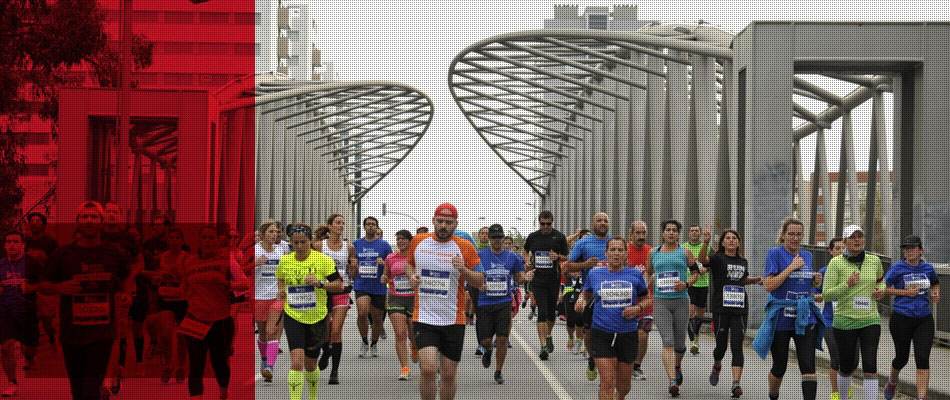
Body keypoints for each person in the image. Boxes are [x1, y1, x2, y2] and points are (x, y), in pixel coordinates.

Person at [40, 201, 132, 400]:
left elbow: (126, 277)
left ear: (101, 222)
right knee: (78, 389)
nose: (89, 221)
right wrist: (59, 288)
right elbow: (43, 285)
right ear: (77, 222)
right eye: (85, 217)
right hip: (71, 331)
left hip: (102, 331)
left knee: (89, 389)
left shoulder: (114, 253)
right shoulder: (62, 254)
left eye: (94, 217)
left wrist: (126, 295)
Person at [405, 203, 482, 400]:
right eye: (439, 221)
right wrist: (411, 276)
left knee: (448, 374)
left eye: (448, 222)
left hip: (453, 318)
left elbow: (480, 280)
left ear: (456, 223)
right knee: (429, 369)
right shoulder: (419, 241)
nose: (443, 226)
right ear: (433, 221)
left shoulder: (465, 246)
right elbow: (409, 264)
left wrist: (464, 269)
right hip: (424, 316)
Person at [753, 217, 825, 400]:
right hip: (781, 317)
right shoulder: (775, 253)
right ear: (783, 235)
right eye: (791, 234)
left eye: (798, 234)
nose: (795, 238)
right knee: (780, 367)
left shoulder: (807, 255)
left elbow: (805, 285)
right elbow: (769, 285)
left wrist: (815, 280)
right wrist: (791, 268)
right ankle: (773, 393)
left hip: (804, 314)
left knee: (808, 364)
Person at [575, 237, 650, 400]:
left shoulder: (635, 274)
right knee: (608, 381)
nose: (616, 253)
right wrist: (581, 300)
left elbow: (647, 299)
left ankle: (619, 397)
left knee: (624, 386)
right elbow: (586, 294)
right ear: (606, 253)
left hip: (627, 333)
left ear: (625, 253)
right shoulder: (595, 274)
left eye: (620, 250)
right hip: (602, 333)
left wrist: (638, 308)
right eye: (612, 250)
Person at [180, 226, 248, 400]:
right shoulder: (190, 261)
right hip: (195, 320)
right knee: (196, 365)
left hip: (220, 320)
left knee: (219, 363)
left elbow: (245, 284)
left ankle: (223, 392)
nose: (208, 241)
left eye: (211, 238)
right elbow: (183, 288)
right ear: (199, 240)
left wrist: (228, 285)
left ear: (218, 241)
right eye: (204, 237)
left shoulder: (227, 261)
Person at [276, 224, 343, 400]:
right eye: (295, 243)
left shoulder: (323, 260)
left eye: (303, 242)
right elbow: (281, 279)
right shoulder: (285, 260)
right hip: (293, 315)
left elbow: (339, 285)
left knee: (311, 365)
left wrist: (320, 284)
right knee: (296, 362)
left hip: (317, 317)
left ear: (310, 241)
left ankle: (312, 397)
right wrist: (281, 291)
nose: (299, 246)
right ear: (290, 242)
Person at [823, 225, 885, 400]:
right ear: (845, 242)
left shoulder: (874, 261)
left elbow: (881, 281)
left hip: (870, 320)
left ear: (864, 239)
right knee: (846, 366)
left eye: (860, 236)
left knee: (870, 365)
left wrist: (881, 290)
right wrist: (847, 284)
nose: (857, 240)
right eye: (852, 237)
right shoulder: (835, 263)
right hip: (845, 321)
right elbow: (827, 294)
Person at [698, 227, 762, 398]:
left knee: (737, 345)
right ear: (723, 242)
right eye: (728, 238)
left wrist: (754, 280)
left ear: (739, 242)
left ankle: (736, 384)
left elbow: (741, 280)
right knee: (721, 346)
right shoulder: (718, 258)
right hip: (721, 308)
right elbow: (701, 259)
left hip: (740, 308)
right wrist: (705, 242)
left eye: (734, 238)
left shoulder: (743, 261)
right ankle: (717, 364)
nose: (732, 240)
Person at [646, 219, 700, 397]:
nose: (670, 233)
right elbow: (648, 271)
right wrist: (647, 284)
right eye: (667, 230)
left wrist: (685, 284)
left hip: (681, 301)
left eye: (674, 230)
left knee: (680, 345)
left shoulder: (685, 251)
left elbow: (695, 274)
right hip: (661, 301)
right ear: (662, 233)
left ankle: (677, 366)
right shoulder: (653, 252)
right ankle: (672, 380)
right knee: (667, 341)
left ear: (678, 233)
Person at [883, 235, 940, 400]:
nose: (910, 251)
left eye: (913, 248)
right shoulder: (897, 268)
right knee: (902, 358)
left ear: (920, 250)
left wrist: (935, 292)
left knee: (922, 358)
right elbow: (883, 288)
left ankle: (921, 397)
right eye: (907, 249)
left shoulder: (928, 268)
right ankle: (892, 381)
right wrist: (905, 292)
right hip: (901, 318)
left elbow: (935, 282)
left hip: (923, 319)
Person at [473, 224, 531, 384]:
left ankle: (498, 371)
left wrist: (525, 278)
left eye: (500, 237)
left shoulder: (512, 257)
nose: (497, 240)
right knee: (485, 340)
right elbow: (474, 277)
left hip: (504, 302)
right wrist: (479, 284)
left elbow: (519, 277)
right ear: (489, 239)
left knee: (502, 338)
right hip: (484, 303)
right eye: (494, 237)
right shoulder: (480, 255)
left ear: (503, 238)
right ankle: (489, 349)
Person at [562, 212, 611, 382]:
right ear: (592, 224)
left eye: (606, 220)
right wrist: (585, 264)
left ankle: (610, 364)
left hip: (612, 295)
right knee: (589, 332)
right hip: (591, 294)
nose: (603, 223)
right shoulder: (584, 243)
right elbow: (567, 266)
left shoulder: (614, 242)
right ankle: (591, 357)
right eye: (599, 220)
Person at [312, 215, 356, 385]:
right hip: (323, 291)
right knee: (324, 331)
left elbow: (354, 273)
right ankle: (326, 350)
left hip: (341, 290)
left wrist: (354, 268)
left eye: (343, 223)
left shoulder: (349, 247)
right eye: (338, 222)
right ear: (330, 226)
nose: (341, 225)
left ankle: (334, 371)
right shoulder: (319, 246)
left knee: (336, 330)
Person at [522, 210, 569, 361]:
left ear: (552, 222)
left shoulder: (559, 237)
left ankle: (548, 335)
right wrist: (526, 261)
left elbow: (568, 256)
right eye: (543, 224)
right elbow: (525, 251)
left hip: (554, 279)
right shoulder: (533, 237)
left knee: (550, 314)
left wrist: (558, 257)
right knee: (541, 312)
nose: (546, 227)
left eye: (548, 224)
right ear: (539, 222)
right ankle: (542, 346)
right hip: (538, 280)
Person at [0, 231, 41, 397]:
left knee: (29, 348)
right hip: (5, 310)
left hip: (27, 310)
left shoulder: (32, 263)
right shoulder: (1, 264)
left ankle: (30, 358)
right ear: (4, 245)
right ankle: (12, 383)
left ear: (23, 245)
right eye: (8, 241)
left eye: (15, 241)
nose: (11, 245)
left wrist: (31, 288)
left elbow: (46, 283)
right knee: (6, 346)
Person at [250, 221, 291, 382]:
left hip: (277, 297)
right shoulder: (254, 250)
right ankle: (264, 359)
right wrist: (255, 263)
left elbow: (285, 273)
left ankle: (269, 367)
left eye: (276, 232)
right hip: (258, 297)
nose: (275, 234)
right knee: (262, 334)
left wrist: (285, 290)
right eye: (271, 231)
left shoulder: (281, 251)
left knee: (272, 332)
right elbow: (239, 269)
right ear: (262, 234)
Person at [814, 238, 849, 400]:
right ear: (830, 251)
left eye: (843, 248)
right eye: (836, 248)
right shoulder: (823, 271)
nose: (840, 251)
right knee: (836, 357)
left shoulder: (852, 269)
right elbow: (814, 294)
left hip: (850, 320)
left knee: (849, 359)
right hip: (829, 321)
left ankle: (844, 386)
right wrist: (820, 296)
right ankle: (836, 391)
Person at [381, 230, 417, 381]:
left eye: (403, 239)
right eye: (398, 239)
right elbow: (386, 275)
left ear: (410, 241)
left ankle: (414, 347)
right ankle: (405, 367)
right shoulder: (390, 257)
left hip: (414, 299)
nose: (400, 241)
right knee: (400, 334)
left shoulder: (416, 257)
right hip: (395, 298)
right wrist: (384, 278)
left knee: (413, 335)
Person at [24, 213, 59, 349]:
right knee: (29, 319)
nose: (35, 223)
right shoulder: (24, 242)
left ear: (43, 225)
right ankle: (32, 348)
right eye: (32, 221)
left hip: (46, 284)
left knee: (46, 320)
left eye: (38, 221)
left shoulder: (51, 242)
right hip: (28, 284)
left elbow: (57, 263)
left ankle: (52, 338)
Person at [626, 221, 653, 381]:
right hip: (625, 302)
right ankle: (624, 363)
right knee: (627, 336)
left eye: (644, 233)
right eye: (638, 233)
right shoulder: (624, 250)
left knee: (643, 334)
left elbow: (656, 272)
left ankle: (636, 366)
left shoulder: (651, 251)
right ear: (631, 234)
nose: (641, 236)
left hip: (646, 301)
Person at [683, 224, 712, 355]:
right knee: (691, 311)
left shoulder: (706, 247)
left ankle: (696, 333)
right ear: (688, 234)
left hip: (702, 284)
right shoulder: (683, 248)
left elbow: (712, 263)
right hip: (689, 283)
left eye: (696, 231)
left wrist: (706, 269)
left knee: (700, 314)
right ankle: (693, 340)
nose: (694, 233)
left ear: (700, 234)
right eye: (692, 230)